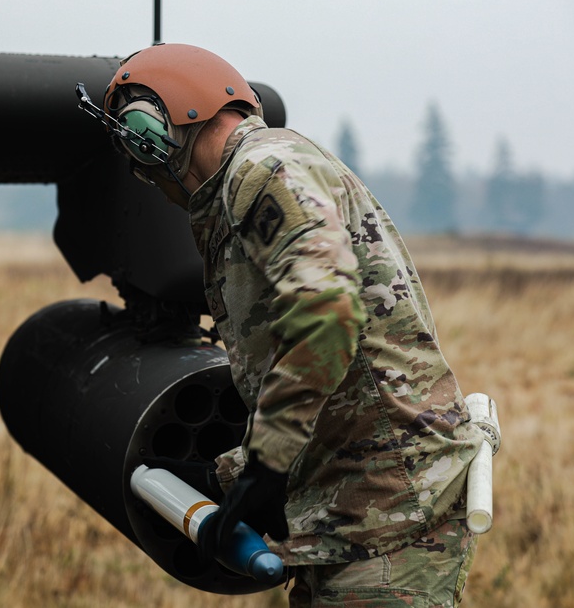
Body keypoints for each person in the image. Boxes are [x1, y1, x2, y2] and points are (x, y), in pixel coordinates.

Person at [78, 43, 487, 607]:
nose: (138, 165)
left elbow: (326, 317)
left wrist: (265, 469)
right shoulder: (251, 179)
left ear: (159, 125)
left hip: (390, 518)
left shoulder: (264, 170)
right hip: (352, 513)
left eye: (133, 139)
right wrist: (233, 473)